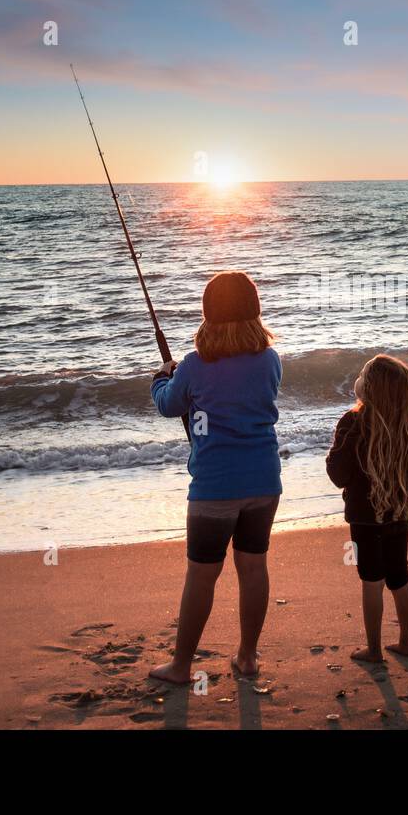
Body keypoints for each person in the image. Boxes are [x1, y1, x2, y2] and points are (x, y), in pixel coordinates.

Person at [148, 271, 282, 682]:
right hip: (263, 481)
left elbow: (169, 406)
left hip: (215, 487)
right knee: (254, 567)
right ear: (255, 311)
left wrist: (160, 377)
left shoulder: (194, 365)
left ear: (207, 315)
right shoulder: (270, 359)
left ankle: (182, 666)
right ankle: (247, 657)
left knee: (202, 575)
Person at [325, 354, 408, 663]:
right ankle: (406, 642)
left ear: (368, 390)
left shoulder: (354, 423)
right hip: (398, 511)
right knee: (399, 577)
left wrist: (345, 438)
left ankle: (374, 649)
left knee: (371, 579)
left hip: (364, 517)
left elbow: (337, 475)